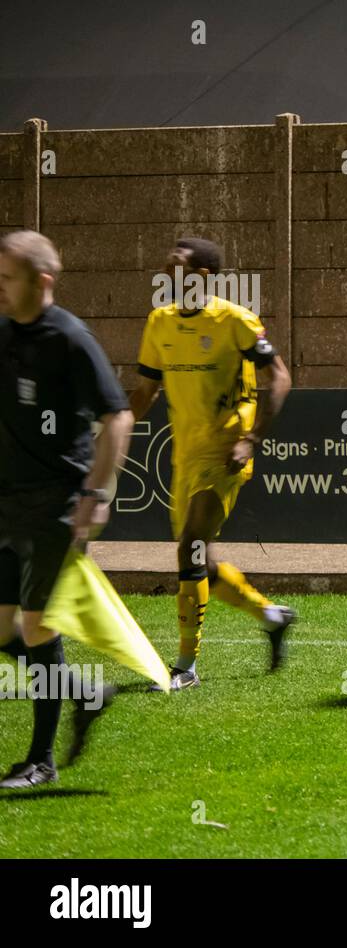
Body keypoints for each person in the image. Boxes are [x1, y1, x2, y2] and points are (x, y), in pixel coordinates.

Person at [129, 238, 296, 691]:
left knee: (189, 550)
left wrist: (252, 438)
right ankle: (271, 615)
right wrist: (114, 428)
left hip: (225, 451)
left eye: (175, 264)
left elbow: (279, 376)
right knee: (200, 560)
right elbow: (144, 391)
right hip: (184, 455)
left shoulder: (234, 320)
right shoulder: (159, 322)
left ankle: (184, 666)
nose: (165, 271)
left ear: (201, 276)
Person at [0, 231, 131, 789]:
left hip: (57, 504)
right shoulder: (2, 331)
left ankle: (40, 761)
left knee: (34, 628)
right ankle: (85, 693)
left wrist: (96, 494)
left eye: (7, 278)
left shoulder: (72, 339)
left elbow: (117, 416)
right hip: (5, 500)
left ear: (42, 282)